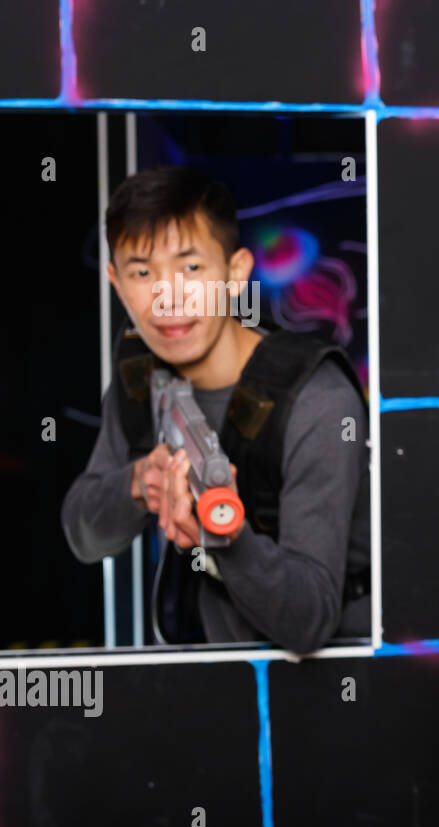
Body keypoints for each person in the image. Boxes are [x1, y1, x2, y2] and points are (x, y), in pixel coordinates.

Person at [62, 166, 370, 654]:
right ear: (116, 283)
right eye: (142, 273)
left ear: (235, 274)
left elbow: (309, 621)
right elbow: (83, 534)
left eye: (191, 268)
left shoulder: (315, 399)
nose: (169, 297)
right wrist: (142, 483)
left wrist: (222, 530)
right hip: (207, 673)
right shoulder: (141, 381)